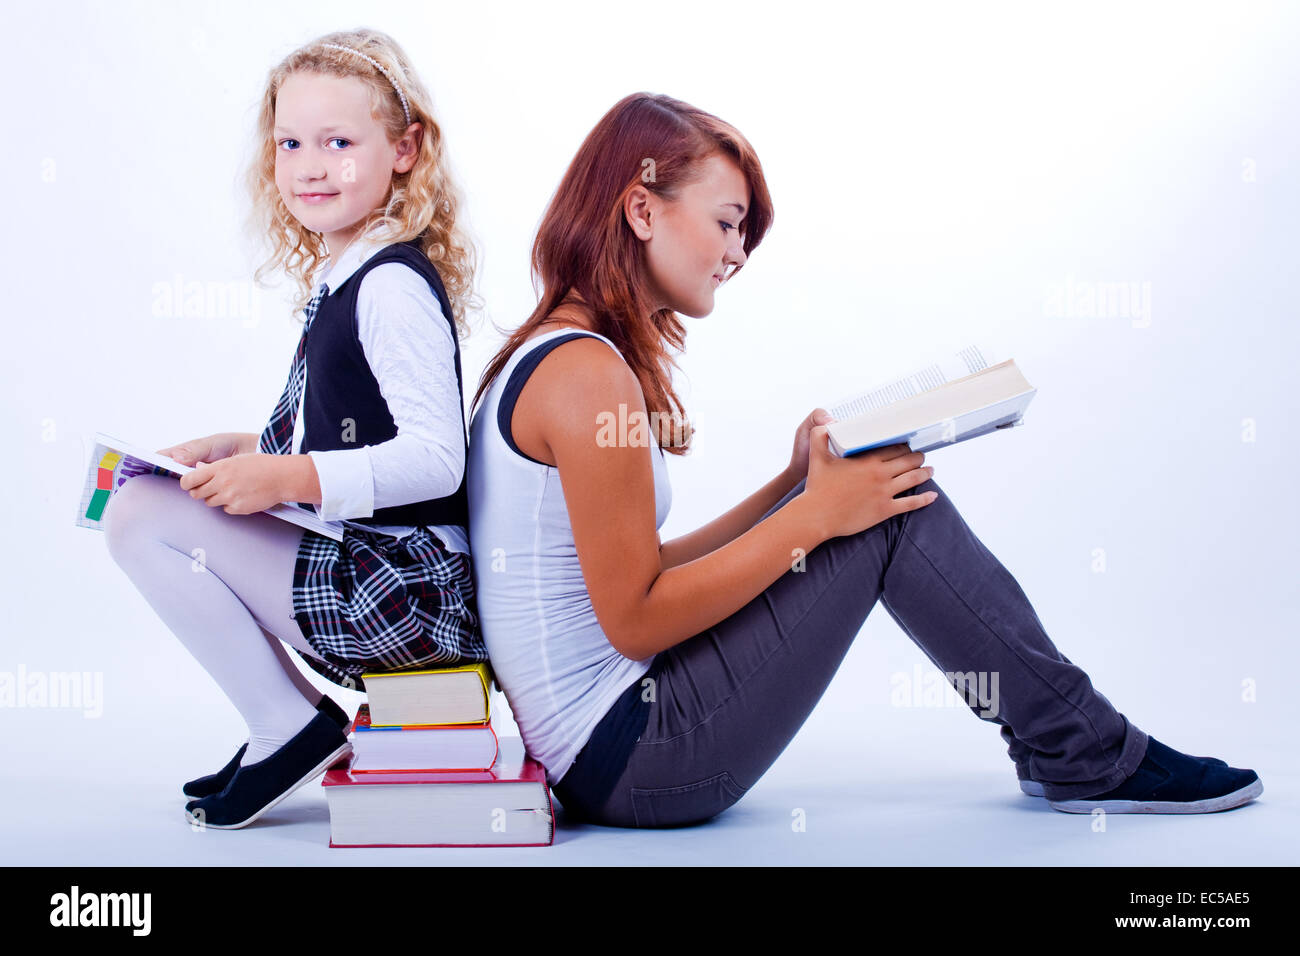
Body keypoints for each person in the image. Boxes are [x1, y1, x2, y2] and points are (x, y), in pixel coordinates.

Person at [465, 92, 1261, 828]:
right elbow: (636, 619)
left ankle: (1072, 743)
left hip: (613, 742)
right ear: (642, 208)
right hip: (639, 759)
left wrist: (794, 488)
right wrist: (822, 514)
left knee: (868, 493)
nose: (737, 252)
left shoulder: (562, 357)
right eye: (727, 222)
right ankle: (1083, 750)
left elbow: (648, 567)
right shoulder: (586, 376)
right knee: (887, 510)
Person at [103, 29, 486, 829]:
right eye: (291, 143)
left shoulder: (388, 288)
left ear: (405, 150)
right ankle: (287, 719)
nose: (311, 165)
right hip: (383, 572)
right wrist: (246, 450)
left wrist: (284, 479)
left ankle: (288, 725)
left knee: (137, 516)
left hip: (407, 591)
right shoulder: (350, 275)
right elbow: (353, 435)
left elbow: (437, 459)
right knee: (146, 501)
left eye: (340, 142)